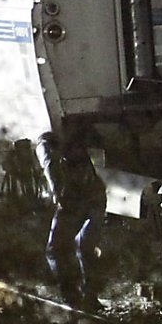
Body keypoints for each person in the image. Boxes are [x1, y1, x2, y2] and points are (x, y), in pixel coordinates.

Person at [38, 124, 108, 310]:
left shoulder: (46, 146)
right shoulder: (76, 148)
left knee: (55, 249)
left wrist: (58, 198)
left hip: (75, 202)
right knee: (86, 247)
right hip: (97, 200)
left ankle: (72, 296)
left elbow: (51, 171)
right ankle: (91, 297)